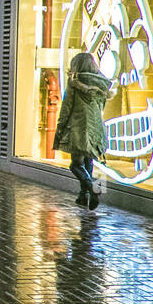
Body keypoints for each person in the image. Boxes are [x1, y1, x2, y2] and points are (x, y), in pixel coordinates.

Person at [53, 51, 114, 210]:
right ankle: (83, 195)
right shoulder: (101, 85)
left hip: (80, 127)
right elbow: (101, 107)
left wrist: (60, 128)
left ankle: (93, 190)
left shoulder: (75, 82)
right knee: (88, 161)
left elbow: (67, 107)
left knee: (75, 165)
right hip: (97, 127)